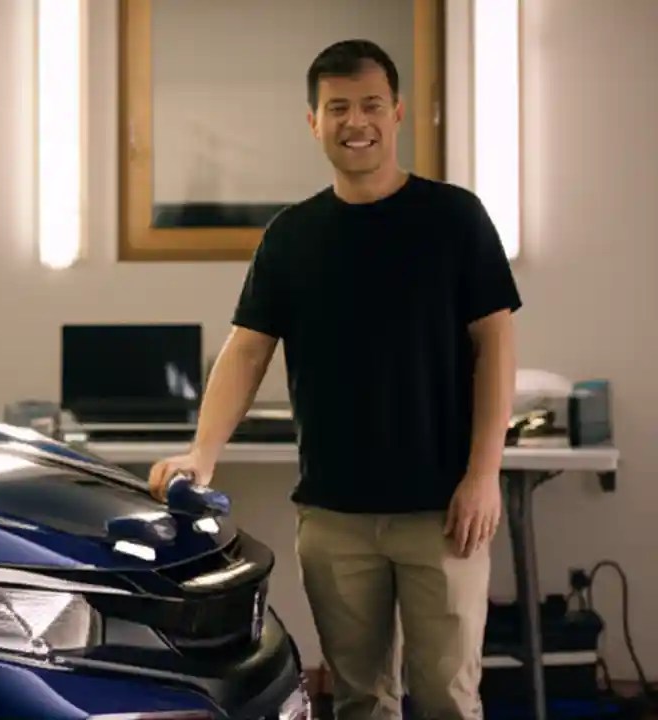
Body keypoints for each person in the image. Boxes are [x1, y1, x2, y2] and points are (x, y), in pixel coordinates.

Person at [147, 39, 521, 720]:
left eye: (371, 105)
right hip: (333, 516)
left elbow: (495, 344)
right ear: (313, 121)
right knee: (357, 699)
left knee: (447, 699)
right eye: (338, 107)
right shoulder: (291, 236)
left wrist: (484, 473)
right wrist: (202, 453)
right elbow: (246, 353)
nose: (357, 121)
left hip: (442, 513)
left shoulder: (454, 218)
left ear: (398, 112)